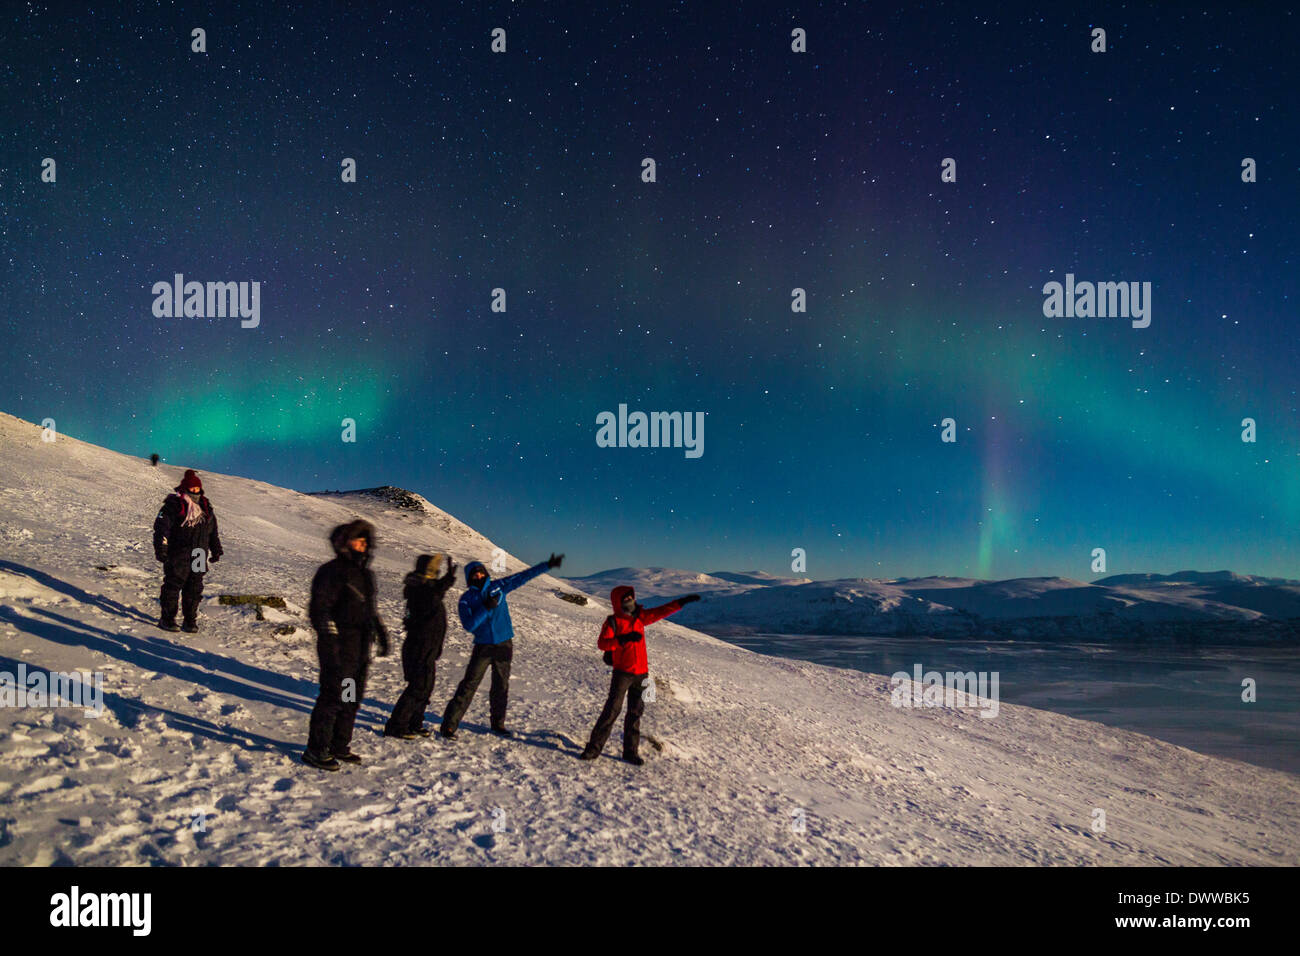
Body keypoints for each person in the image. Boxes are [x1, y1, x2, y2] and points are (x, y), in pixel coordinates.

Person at [439, 553, 564, 739]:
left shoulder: (498, 587)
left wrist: (547, 565)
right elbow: (469, 625)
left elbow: (522, 577)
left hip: (504, 645)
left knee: (501, 686)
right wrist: (486, 607)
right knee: (469, 685)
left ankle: (498, 724)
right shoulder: (466, 599)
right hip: (483, 647)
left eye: (481, 573)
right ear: (469, 578)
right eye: (475, 574)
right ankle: (449, 726)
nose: (479, 576)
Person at [302, 520, 390, 771]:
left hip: (360, 648)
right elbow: (320, 610)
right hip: (338, 647)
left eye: (365, 540)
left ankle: (339, 745)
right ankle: (316, 750)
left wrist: (381, 635)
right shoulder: (332, 571)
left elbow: (369, 610)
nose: (362, 544)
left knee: (350, 698)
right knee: (332, 696)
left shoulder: (365, 574)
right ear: (343, 543)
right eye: (356, 540)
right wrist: (330, 640)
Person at [578, 586, 700, 765]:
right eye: (626, 599)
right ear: (618, 603)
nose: (630, 601)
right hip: (622, 674)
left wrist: (680, 603)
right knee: (612, 711)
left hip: (642, 674)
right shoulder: (613, 621)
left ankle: (630, 752)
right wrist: (623, 639)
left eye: (631, 598)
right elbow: (602, 644)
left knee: (636, 713)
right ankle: (593, 749)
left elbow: (660, 612)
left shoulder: (640, 617)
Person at [384, 553, 457, 739]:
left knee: (426, 687)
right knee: (418, 687)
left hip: (429, 646)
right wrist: (446, 581)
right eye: (432, 569)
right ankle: (397, 725)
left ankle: (415, 722)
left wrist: (446, 580)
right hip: (419, 647)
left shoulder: (425, 587)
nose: (435, 573)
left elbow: (434, 592)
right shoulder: (419, 588)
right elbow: (431, 597)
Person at [152, 469, 223, 633]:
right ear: (185, 488)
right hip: (179, 552)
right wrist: (161, 548)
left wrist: (216, 550)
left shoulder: (206, 508)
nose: (195, 491)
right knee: (173, 584)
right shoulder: (174, 505)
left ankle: (190, 620)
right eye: (192, 488)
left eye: (197, 488)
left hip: (199, 553)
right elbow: (162, 529)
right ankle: (167, 618)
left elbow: (212, 532)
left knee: (195, 587)